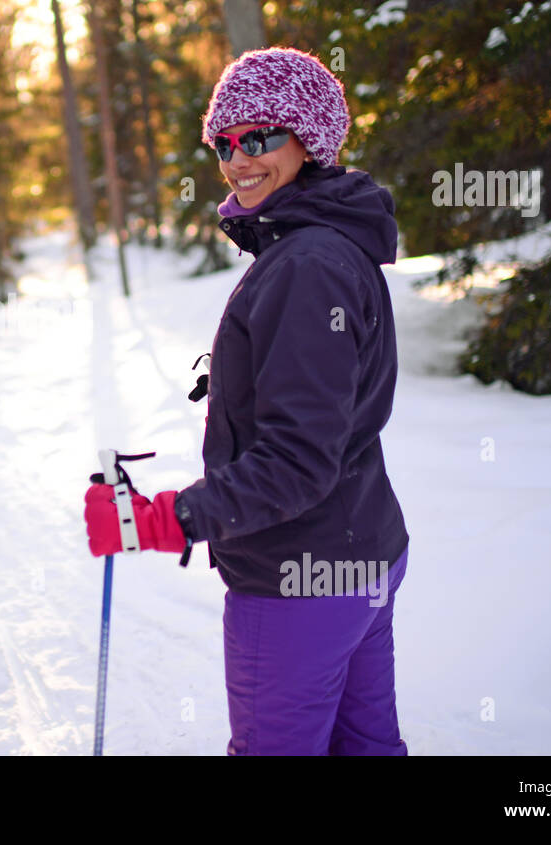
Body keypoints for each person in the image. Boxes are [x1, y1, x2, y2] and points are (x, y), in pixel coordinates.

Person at [83, 47, 410, 756]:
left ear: (309, 139)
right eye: (224, 143)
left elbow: (297, 462)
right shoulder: (329, 245)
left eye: (259, 137)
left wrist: (159, 519)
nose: (238, 160)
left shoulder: (307, 267)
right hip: (359, 558)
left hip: (301, 582)